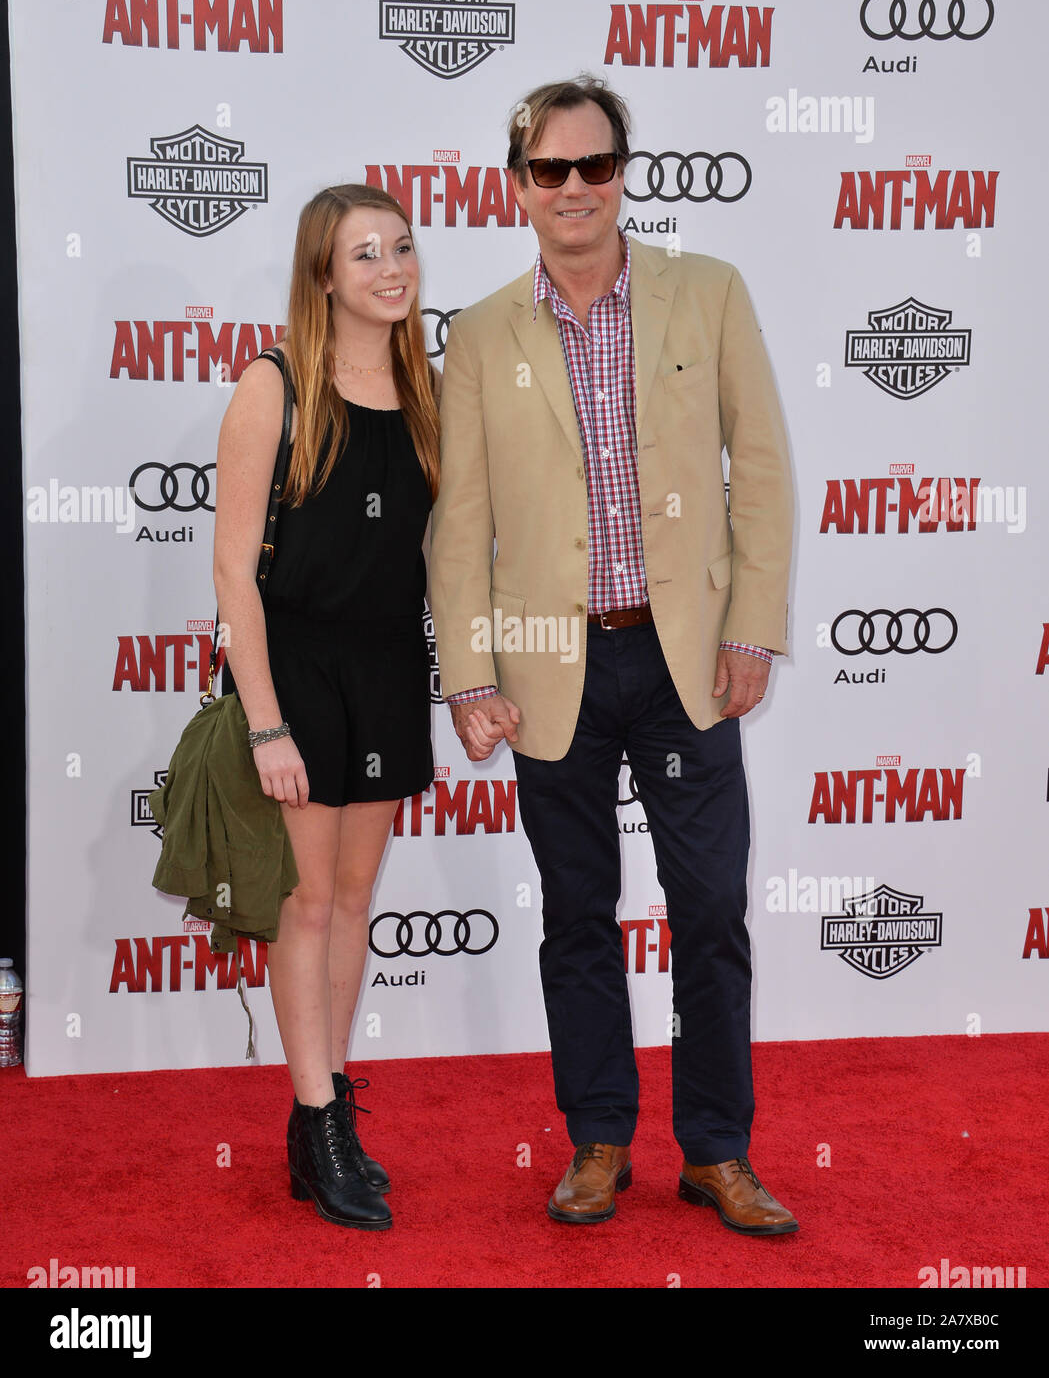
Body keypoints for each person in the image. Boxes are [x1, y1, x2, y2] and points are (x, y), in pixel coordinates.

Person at [429, 77, 797, 1233]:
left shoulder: (708, 293)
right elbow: (461, 520)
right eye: (550, 171)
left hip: (685, 664)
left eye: (593, 166)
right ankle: (596, 1141)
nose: (574, 188)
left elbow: (765, 470)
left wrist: (751, 627)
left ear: (623, 173)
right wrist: (471, 675)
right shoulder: (482, 333)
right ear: (516, 189)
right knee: (576, 913)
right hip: (550, 671)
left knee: (708, 910)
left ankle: (716, 1151)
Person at [213, 183, 440, 1230]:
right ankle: (318, 1115)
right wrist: (264, 722)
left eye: (400, 247)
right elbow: (231, 575)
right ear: (322, 275)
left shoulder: (421, 385)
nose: (392, 267)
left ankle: (328, 1107)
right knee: (303, 904)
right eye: (364, 254)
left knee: (352, 902)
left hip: (388, 669)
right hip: (293, 673)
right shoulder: (273, 384)